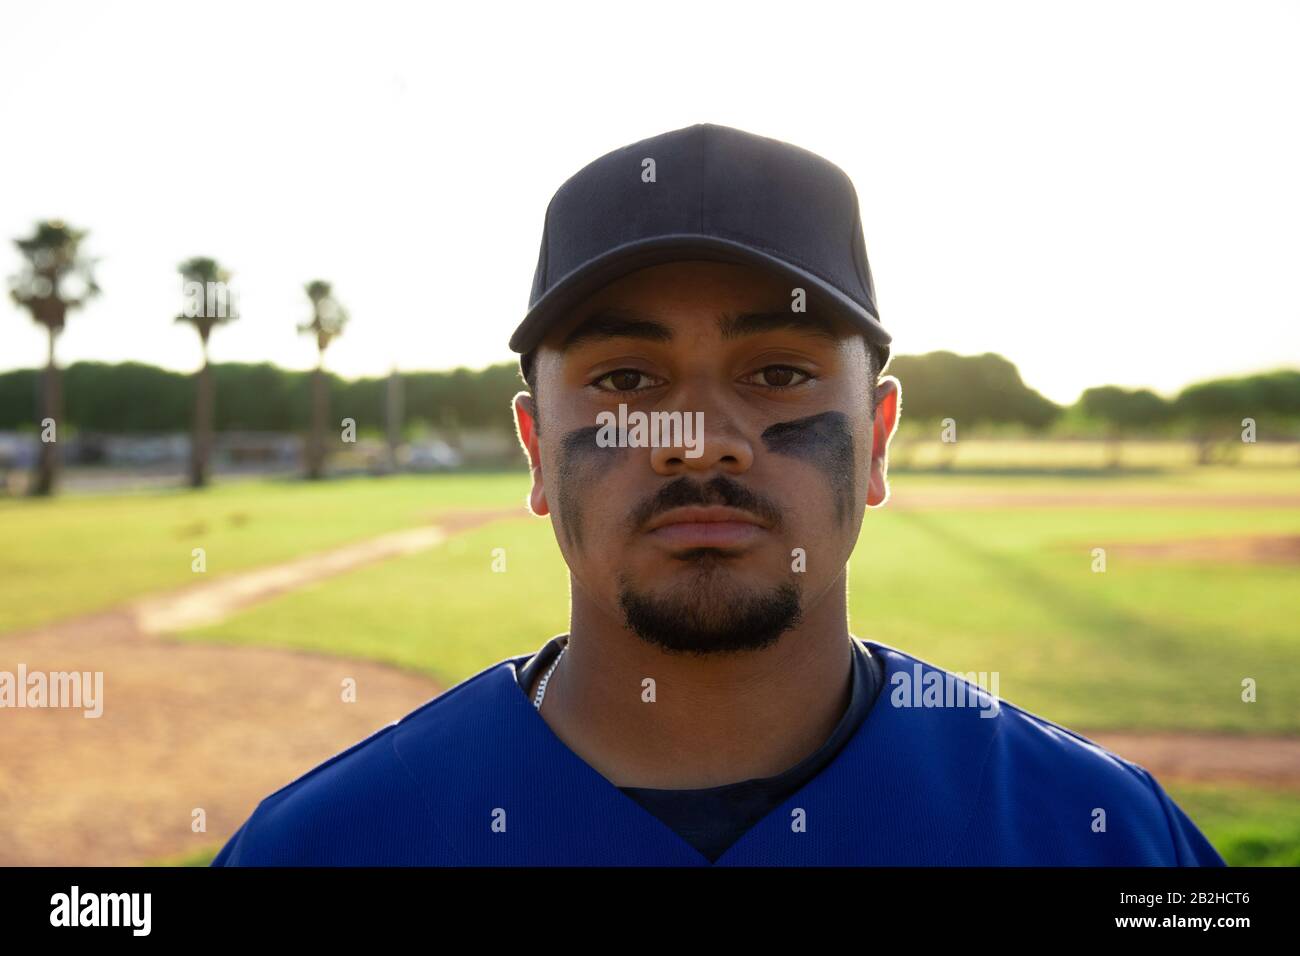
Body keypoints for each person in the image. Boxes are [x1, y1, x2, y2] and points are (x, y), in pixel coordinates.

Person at [212, 123, 1224, 866]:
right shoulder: (323, 848)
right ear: (535, 446)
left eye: (778, 374)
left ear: (874, 441)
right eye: (623, 380)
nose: (697, 437)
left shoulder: (1104, 838)